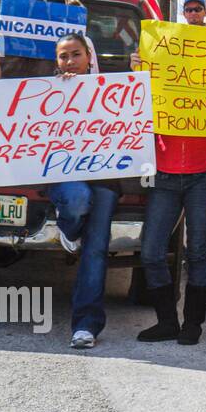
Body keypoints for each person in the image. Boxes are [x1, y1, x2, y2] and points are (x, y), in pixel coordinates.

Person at [133, 0, 206, 345]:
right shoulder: (157, 69)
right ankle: (167, 320)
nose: (193, 13)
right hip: (165, 172)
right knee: (152, 250)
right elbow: (134, 100)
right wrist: (137, 70)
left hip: (203, 172)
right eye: (189, 9)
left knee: (198, 250)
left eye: (198, 8)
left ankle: (193, 324)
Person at [45, 33, 119, 349]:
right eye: (63, 56)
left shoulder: (115, 90)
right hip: (65, 175)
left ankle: (86, 325)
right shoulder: (44, 91)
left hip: (105, 178)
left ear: (89, 55)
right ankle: (69, 227)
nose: (70, 62)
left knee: (96, 249)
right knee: (76, 200)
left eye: (76, 54)